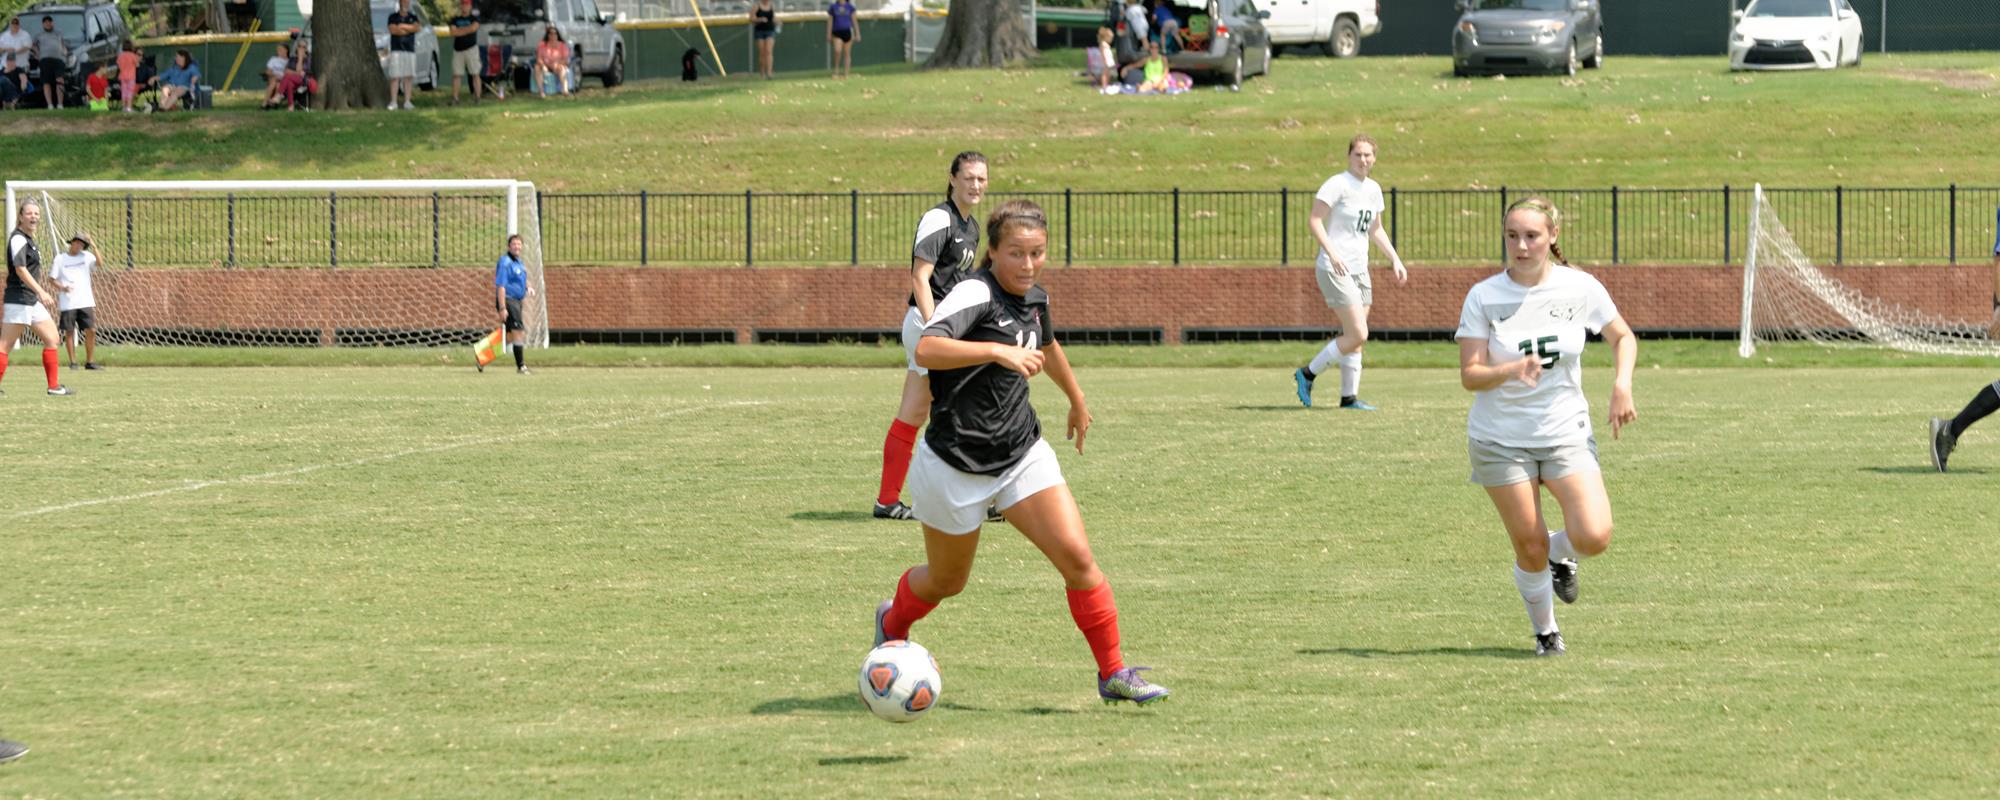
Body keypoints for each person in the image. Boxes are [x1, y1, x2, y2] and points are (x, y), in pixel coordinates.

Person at [872, 199, 1171, 706]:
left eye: (1038, 253)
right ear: (991, 251)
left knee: (1079, 560)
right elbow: (928, 348)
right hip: (953, 465)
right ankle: (892, 621)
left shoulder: (1035, 296)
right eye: (1016, 253)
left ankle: (1114, 672)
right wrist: (995, 350)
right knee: (947, 581)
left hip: (1020, 453)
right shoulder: (974, 291)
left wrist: (1076, 399)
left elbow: (1047, 346)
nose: (1028, 264)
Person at [1456, 197, 1635, 657]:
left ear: (1552, 236)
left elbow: (1622, 336)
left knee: (1595, 535)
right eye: (1512, 236)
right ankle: (1546, 633)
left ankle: (1563, 551)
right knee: (1529, 546)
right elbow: (1470, 375)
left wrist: (1622, 385)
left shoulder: (1581, 287)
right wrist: (1510, 369)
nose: (1521, 245)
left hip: (1565, 432)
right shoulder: (1484, 296)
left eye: (1532, 236)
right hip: (1500, 440)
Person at [874, 151, 988, 521]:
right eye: (969, 177)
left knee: (914, 411)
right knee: (968, 402)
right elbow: (920, 277)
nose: (975, 185)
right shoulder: (941, 217)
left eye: (981, 179)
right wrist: (936, 327)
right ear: (952, 178)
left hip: (937, 325)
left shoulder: (970, 226)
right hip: (928, 323)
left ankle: (887, 501)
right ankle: (976, 497)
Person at [1293, 134, 1407, 410]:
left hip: (1359, 269)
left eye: (1368, 155)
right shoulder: (1337, 184)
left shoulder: (1374, 189)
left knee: (1354, 337)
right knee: (1358, 333)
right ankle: (1307, 373)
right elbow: (1315, 220)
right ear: (1349, 156)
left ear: (1374, 159)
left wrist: (1395, 258)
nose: (1363, 159)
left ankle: (1348, 398)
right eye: (1358, 154)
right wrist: (1332, 253)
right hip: (1335, 268)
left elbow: (1375, 229)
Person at [2, 201, 76, 396]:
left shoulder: (29, 240)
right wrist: (42, 292)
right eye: (29, 213)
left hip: (30, 300)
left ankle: (53, 387)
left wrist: (37, 294)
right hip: (19, 298)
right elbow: (20, 269)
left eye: (36, 213)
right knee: (5, 345)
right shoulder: (18, 239)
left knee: (52, 338)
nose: (33, 216)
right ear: (20, 216)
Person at [50, 232, 100, 370]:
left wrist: (94, 246)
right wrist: (63, 287)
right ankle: (73, 362)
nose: (79, 246)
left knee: (91, 330)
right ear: (72, 242)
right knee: (70, 331)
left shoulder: (87, 257)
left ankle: (90, 361)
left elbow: (100, 264)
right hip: (68, 301)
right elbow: (52, 279)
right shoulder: (60, 259)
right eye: (77, 242)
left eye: (82, 244)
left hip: (85, 300)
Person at [489, 234, 535, 374]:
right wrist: (502, 307)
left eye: (519, 244)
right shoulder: (505, 262)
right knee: (518, 331)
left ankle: (482, 353)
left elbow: (520, 279)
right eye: (514, 244)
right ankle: (521, 366)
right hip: (508, 300)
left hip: (516, 302)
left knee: (509, 336)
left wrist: (528, 287)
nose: (517, 246)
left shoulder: (518, 263)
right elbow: (501, 286)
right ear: (509, 246)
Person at [384, 0, 420, 110]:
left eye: (407, 2)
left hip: (409, 50)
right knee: (395, 76)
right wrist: (408, 30)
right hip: (396, 50)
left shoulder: (413, 17)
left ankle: (407, 102)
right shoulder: (393, 17)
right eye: (403, 2)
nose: (405, 4)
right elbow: (393, 30)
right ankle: (393, 102)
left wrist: (402, 26)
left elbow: (416, 28)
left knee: (408, 77)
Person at [447, 0, 482, 105]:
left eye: (467, 5)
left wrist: (460, 31)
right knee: (457, 74)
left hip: (471, 49)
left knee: (475, 73)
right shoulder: (455, 19)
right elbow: (453, 32)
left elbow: (474, 28)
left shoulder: (474, 18)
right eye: (463, 4)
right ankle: (455, 98)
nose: (464, 7)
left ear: (470, 6)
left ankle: (477, 97)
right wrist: (467, 30)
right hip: (458, 50)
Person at [32, 15, 66, 110]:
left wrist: (64, 52)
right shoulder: (39, 35)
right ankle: (50, 104)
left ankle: (60, 104)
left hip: (58, 60)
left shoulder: (58, 33)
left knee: (60, 80)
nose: (48, 24)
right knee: (46, 82)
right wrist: (37, 53)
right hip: (45, 60)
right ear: (43, 24)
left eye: (50, 22)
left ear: (52, 23)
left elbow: (63, 44)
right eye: (46, 22)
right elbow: (33, 45)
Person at [533, 27, 571, 98]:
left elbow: (566, 59)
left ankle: (565, 90)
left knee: (562, 69)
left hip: (557, 66)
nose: (553, 35)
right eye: (550, 33)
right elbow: (539, 58)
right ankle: (542, 92)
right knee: (537, 67)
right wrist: (543, 65)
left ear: (557, 35)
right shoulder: (542, 45)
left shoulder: (562, 45)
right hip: (545, 65)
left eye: (555, 33)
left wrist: (558, 64)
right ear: (547, 35)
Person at [826, 0, 857, 79]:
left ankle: (846, 73)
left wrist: (857, 33)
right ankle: (836, 71)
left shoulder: (850, 7)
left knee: (847, 53)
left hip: (847, 31)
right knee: (837, 50)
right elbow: (830, 21)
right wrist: (828, 34)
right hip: (837, 32)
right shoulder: (833, 7)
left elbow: (854, 20)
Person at [750, 0, 776, 80]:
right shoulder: (756, 6)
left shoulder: (772, 6)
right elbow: (751, 18)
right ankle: (762, 73)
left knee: (769, 51)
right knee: (762, 52)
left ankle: (769, 72)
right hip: (760, 31)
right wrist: (760, 19)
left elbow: (773, 18)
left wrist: (777, 21)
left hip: (770, 30)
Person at [116, 39, 137, 112]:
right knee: (130, 92)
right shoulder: (133, 55)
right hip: (131, 77)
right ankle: (129, 107)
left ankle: (123, 107)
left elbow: (118, 64)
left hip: (122, 76)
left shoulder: (120, 56)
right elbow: (137, 64)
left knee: (124, 92)